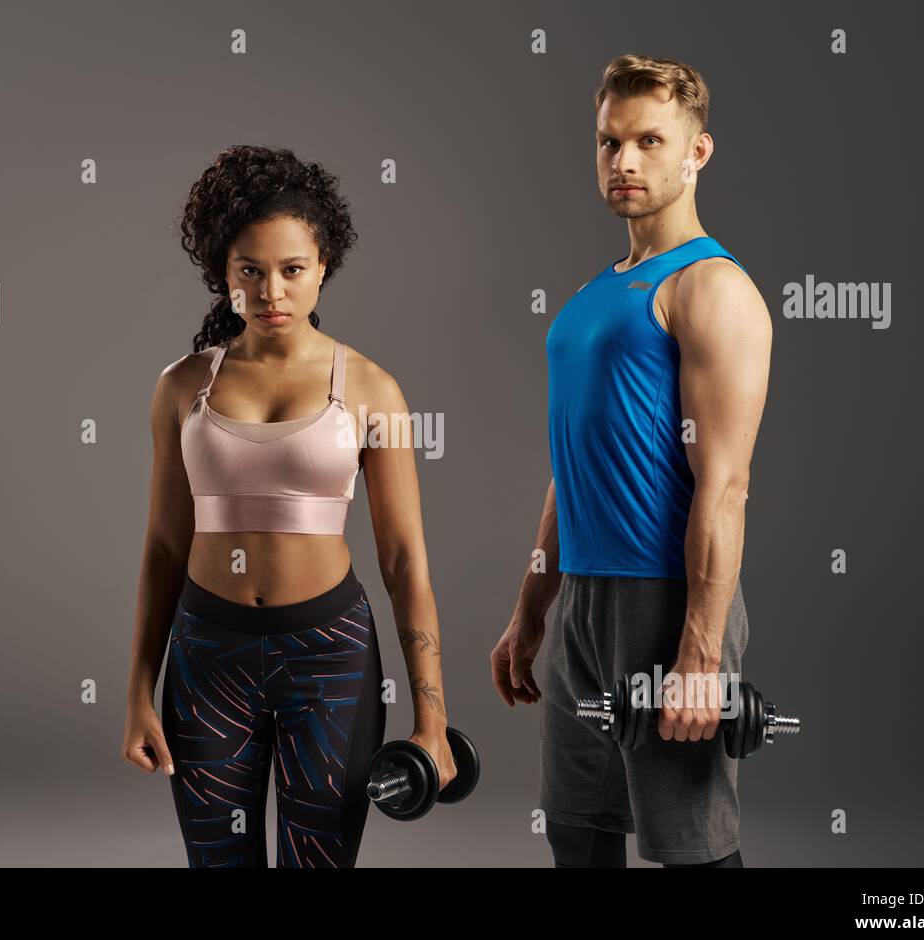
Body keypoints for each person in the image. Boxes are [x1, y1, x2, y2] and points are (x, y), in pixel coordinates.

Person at [121, 145, 455, 868]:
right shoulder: (181, 387)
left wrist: (433, 714)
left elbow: (403, 560)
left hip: (329, 656)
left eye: (292, 269)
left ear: (322, 266)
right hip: (208, 656)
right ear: (222, 274)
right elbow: (161, 549)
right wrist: (138, 694)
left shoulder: (372, 388)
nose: (272, 290)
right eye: (250, 271)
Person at [490, 55, 773, 867]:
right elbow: (572, 467)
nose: (624, 161)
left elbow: (725, 486)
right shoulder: (592, 296)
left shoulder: (710, 288)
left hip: (665, 600)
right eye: (610, 142)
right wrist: (531, 608)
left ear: (698, 152)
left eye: (650, 140)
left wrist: (699, 654)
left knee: (692, 848)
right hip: (584, 598)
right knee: (578, 835)